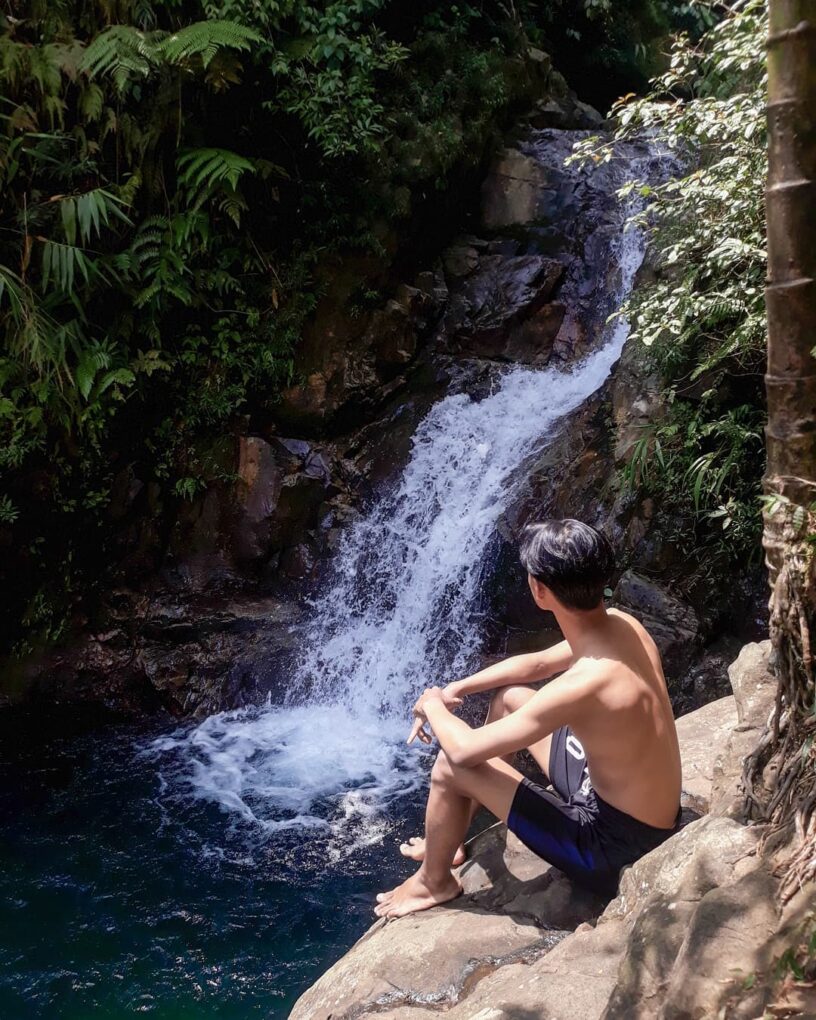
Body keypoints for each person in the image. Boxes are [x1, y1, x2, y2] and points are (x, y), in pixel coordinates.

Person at [374, 518, 682, 919]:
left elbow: (465, 750)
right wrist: (457, 688)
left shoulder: (587, 684)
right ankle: (448, 841)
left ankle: (435, 882)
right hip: (633, 808)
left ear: (539, 590)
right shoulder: (624, 624)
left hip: (614, 848)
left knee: (451, 766)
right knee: (510, 699)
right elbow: (537, 664)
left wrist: (431, 703)